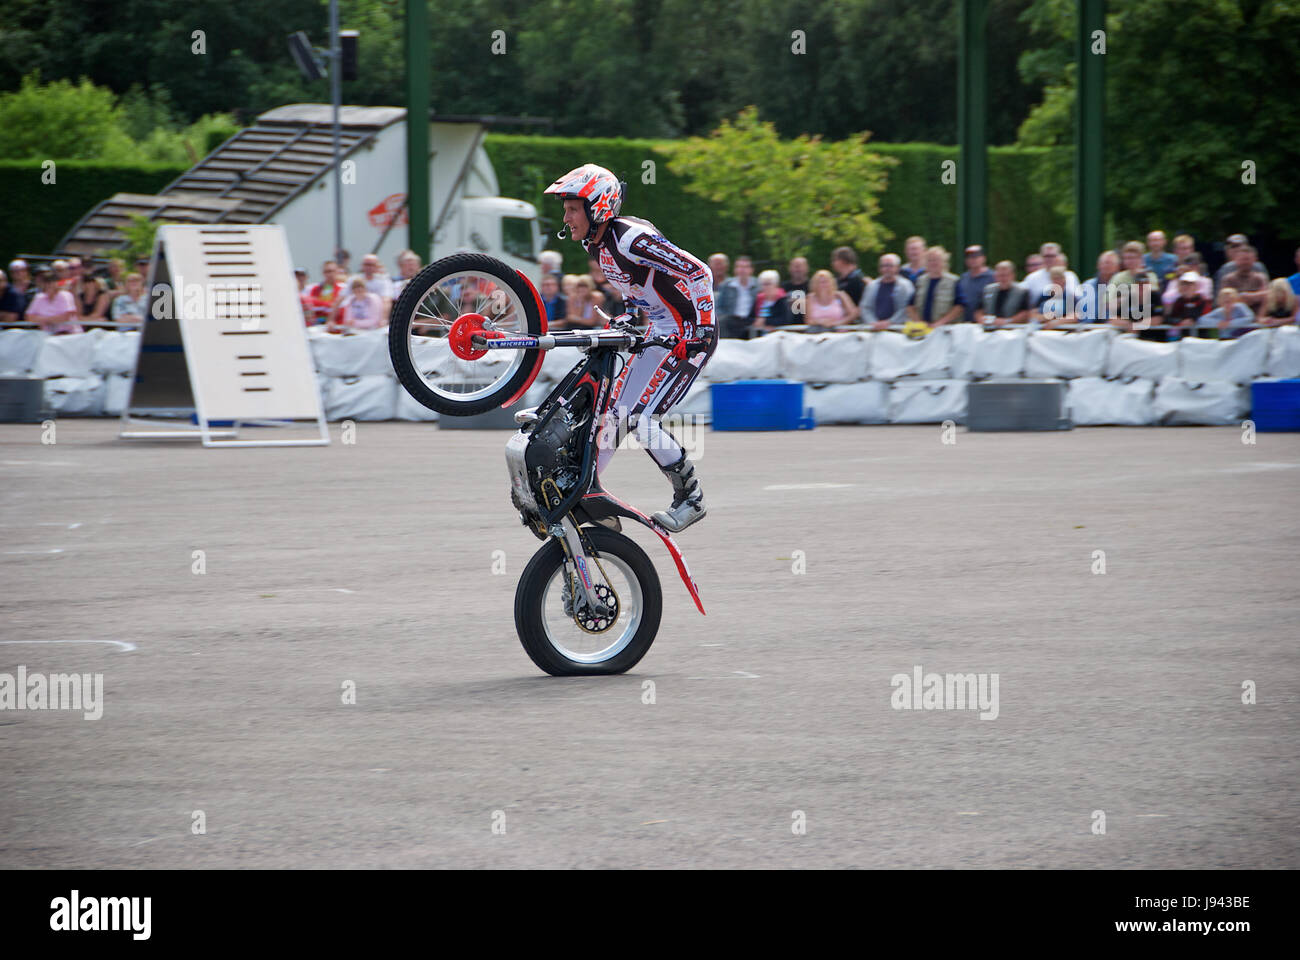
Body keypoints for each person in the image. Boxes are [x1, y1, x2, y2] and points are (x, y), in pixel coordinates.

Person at [544, 162, 716, 533]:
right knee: (614, 414)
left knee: (639, 418)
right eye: (566, 209)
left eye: (573, 208)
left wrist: (701, 330)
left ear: (597, 207)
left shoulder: (629, 238)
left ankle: (691, 497)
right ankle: (586, 489)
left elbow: (699, 272)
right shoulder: (600, 247)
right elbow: (637, 286)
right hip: (659, 332)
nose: (566, 216)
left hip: (688, 337)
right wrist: (628, 316)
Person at [908, 246, 964, 328]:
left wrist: (940, 323)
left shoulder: (953, 281)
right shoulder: (920, 281)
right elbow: (910, 306)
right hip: (923, 330)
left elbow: (959, 307)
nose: (933, 263)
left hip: (946, 329)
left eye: (936, 260)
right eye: (930, 260)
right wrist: (919, 323)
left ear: (944, 261)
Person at [860, 254, 915, 329]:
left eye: (890, 265)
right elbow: (865, 307)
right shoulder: (872, 286)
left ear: (897, 268)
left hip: (898, 330)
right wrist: (873, 323)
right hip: (875, 330)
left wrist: (889, 322)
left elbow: (906, 308)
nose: (886, 268)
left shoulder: (905, 285)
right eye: (883, 266)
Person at [24, 270, 82, 334]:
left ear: (57, 283)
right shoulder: (38, 297)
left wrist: (42, 319)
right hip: (48, 336)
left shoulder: (66, 295)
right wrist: (52, 320)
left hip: (68, 335)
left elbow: (66, 317)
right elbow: (29, 317)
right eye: (46, 281)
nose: (49, 284)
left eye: (52, 281)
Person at [974, 261, 1030, 326]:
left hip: (1012, 330)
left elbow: (1025, 313)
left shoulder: (1021, 291)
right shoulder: (988, 290)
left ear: (1013, 275)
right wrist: (981, 319)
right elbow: (978, 310)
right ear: (995, 276)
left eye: (1006, 275)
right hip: (990, 328)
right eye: (1000, 275)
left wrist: (1007, 321)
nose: (1003, 278)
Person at [718, 255, 758, 338]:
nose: (742, 270)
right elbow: (719, 306)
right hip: (730, 321)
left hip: (749, 321)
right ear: (735, 269)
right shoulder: (727, 285)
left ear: (751, 270)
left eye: (745, 267)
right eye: (739, 267)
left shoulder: (757, 285)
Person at [1163, 273, 1212, 338]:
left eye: (1190, 284)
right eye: (1183, 284)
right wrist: (1181, 322)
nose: (1186, 286)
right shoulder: (1179, 301)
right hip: (1182, 339)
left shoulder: (1203, 301)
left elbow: (1207, 317)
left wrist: (1194, 321)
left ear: (1196, 286)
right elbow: (1170, 318)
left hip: (1201, 339)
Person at [1077, 251, 1120, 323]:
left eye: (1110, 263)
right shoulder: (1087, 285)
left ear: (1117, 267)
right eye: (1105, 262)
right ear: (1098, 265)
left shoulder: (1121, 286)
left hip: (1112, 328)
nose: (1107, 266)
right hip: (1086, 326)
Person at [956, 245, 995, 323]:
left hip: (985, 324)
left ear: (983, 258)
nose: (972, 260)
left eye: (976, 257)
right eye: (969, 257)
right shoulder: (963, 278)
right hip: (966, 323)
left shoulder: (993, 277)